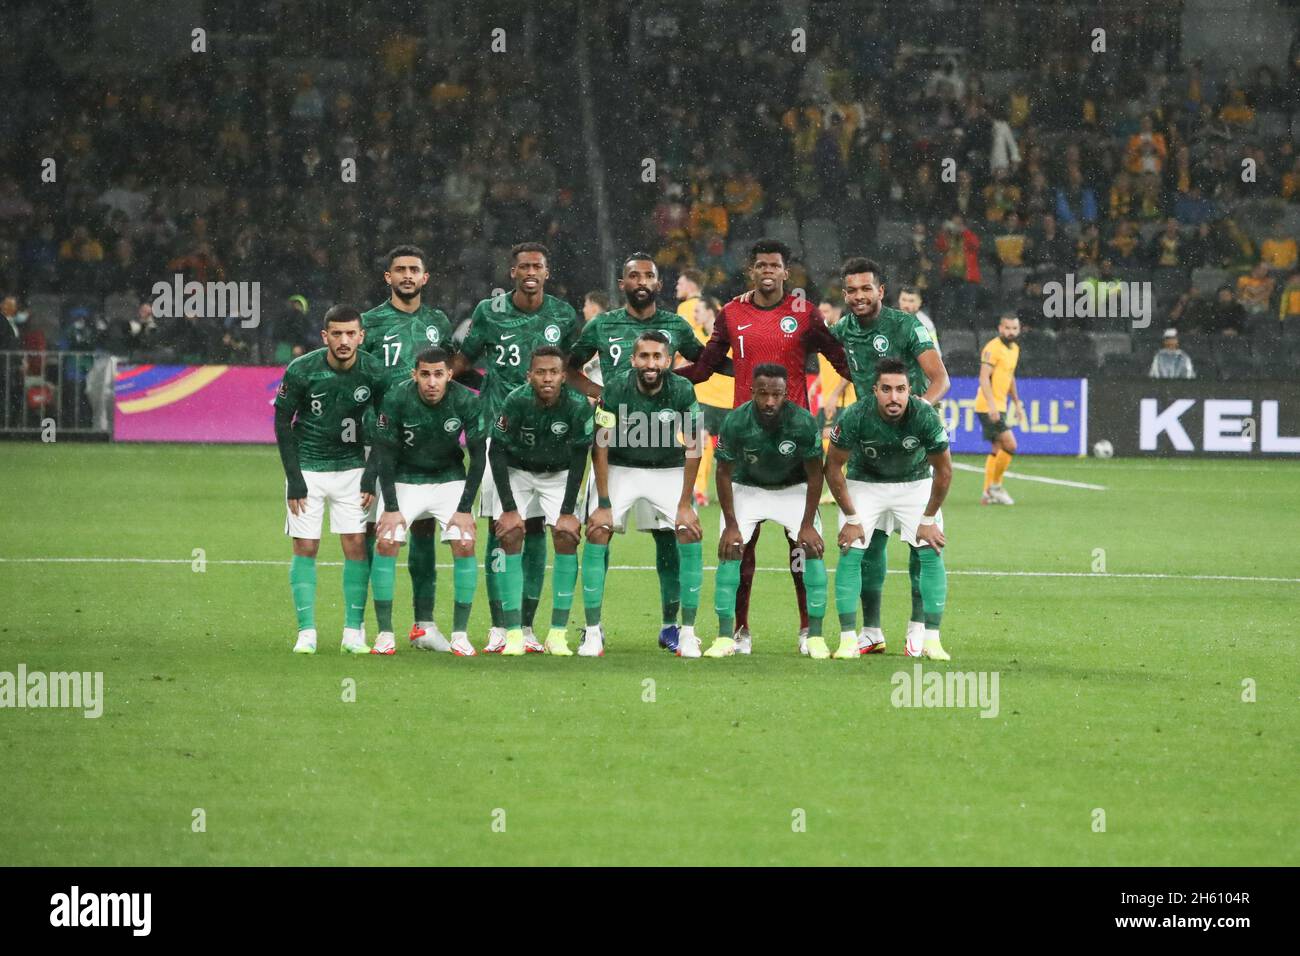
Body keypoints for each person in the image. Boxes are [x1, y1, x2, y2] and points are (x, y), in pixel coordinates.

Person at [674, 238, 850, 654]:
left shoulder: (804, 314)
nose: (768, 270)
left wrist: (877, 382)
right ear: (750, 271)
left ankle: (809, 630)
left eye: (776, 265)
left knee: (802, 548)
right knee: (739, 547)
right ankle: (739, 631)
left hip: (794, 440)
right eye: (761, 265)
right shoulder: (732, 313)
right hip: (745, 439)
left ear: (787, 272)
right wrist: (666, 377)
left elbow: (838, 357)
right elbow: (706, 365)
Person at [566, 254, 704, 653]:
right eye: (633, 276)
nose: (641, 281)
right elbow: (570, 368)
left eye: (649, 276)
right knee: (598, 531)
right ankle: (593, 630)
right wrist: (598, 394)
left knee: (673, 538)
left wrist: (743, 373)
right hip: (618, 459)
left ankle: (674, 627)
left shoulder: (677, 327)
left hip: (665, 461)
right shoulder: (602, 325)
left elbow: (705, 362)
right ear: (622, 283)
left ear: (659, 283)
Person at [454, 242, 578, 653]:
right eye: (523, 265)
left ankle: (526, 626)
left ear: (547, 272)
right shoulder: (489, 313)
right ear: (511, 273)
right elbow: (464, 361)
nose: (530, 271)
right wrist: (472, 388)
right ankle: (498, 625)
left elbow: (572, 369)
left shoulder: (563, 315)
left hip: (550, 437)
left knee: (538, 529)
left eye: (537, 266)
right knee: (502, 527)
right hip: (500, 435)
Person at [825, 258, 951, 655]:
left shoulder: (906, 326)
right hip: (867, 460)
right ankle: (872, 632)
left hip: (913, 462)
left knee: (922, 548)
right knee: (870, 551)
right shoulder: (842, 331)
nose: (859, 296)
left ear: (881, 291)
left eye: (867, 289)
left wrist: (917, 412)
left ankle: (917, 628)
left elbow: (940, 379)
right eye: (852, 291)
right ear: (844, 296)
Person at [359, 245, 457, 651]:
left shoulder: (439, 322)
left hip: (427, 445)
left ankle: (423, 626)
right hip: (380, 442)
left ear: (425, 277)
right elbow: (359, 383)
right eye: (399, 270)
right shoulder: (370, 322)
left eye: (414, 269)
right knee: (371, 533)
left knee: (422, 530)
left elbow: (447, 376)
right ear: (388, 277)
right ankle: (362, 624)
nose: (407, 276)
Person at [273, 305, 386, 655]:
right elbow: (281, 422)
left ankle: (353, 633)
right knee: (306, 546)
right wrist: (294, 478)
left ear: (361, 336)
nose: (344, 340)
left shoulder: (374, 371)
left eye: (351, 333)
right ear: (325, 337)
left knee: (355, 545)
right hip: (308, 469)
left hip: (352, 470)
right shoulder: (302, 369)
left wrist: (370, 475)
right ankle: (306, 632)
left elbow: (385, 426)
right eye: (336, 334)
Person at [583, 331, 704, 657]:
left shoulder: (683, 389)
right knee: (596, 530)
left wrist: (684, 504)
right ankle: (592, 632)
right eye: (644, 357)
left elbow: (694, 447)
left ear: (669, 360)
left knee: (689, 532)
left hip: (668, 469)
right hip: (622, 466)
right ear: (633, 359)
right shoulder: (616, 389)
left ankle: (686, 632)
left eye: (657, 357)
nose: (651, 364)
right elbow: (600, 444)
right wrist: (604, 503)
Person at [700, 364, 828, 658]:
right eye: (763, 394)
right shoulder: (736, 422)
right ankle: (731, 633)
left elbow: (815, 475)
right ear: (752, 392)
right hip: (748, 489)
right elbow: (722, 474)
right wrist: (731, 525)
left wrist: (808, 524)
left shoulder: (803, 423)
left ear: (787, 393)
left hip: (792, 490)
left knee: (806, 554)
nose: (770, 401)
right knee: (734, 551)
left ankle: (812, 632)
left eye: (777, 394)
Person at [369, 348, 486, 656]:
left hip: (448, 479)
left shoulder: (467, 400)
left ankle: (460, 634)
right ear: (414, 374)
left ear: (449, 374)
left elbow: (478, 458)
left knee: (464, 541)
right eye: (425, 374)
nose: (431, 382)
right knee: (386, 540)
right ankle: (384, 634)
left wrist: (464, 509)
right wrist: (391, 508)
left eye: (438, 374)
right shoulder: (396, 398)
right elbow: (385, 453)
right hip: (405, 479)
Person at [487, 347, 594, 656]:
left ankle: (557, 634)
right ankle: (513, 633)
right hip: (517, 471)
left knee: (566, 536)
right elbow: (497, 450)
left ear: (563, 376)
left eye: (553, 372)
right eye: (540, 372)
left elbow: (579, 458)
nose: (547, 378)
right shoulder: (516, 400)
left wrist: (567, 512)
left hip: (559, 475)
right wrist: (508, 508)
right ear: (529, 375)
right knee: (510, 534)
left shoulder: (576, 405)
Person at [686, 295, 733, 508]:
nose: (695, 314)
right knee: (700, 441)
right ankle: (699, 489)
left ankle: (735, 488)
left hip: (727, 401)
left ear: (710, 312)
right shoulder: (694, 336)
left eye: (698, 310)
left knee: (730, 450)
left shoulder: (728, 335)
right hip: (703, 399)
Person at [975, 314, 1024, 506]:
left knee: (997, 448)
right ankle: (995, 487)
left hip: (1000, 406)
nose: (1010, 332)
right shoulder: (992, 348)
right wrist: (992, 406)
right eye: (1007, 328)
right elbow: (984, 377)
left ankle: (988, 492)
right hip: (988, 406)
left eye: (1014, 328)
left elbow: (1010, 377)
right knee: (1010, 445)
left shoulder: (1015, 349)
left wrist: (1017, 403)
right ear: (1000, 328)